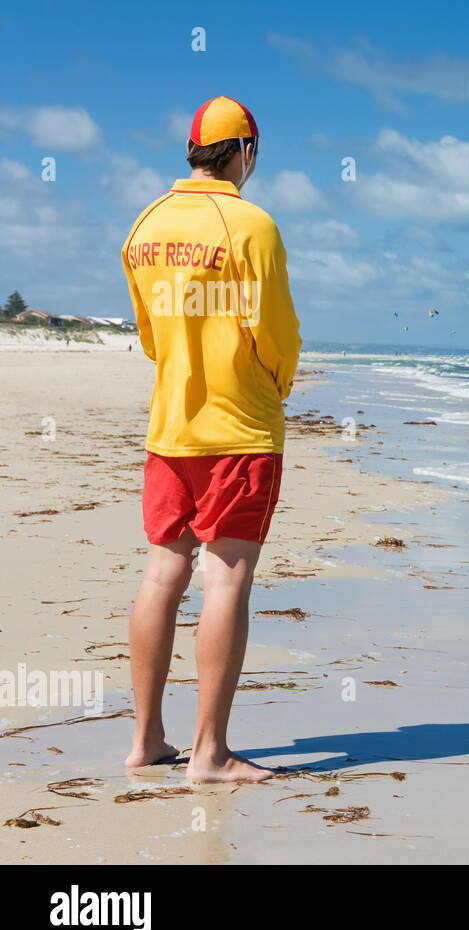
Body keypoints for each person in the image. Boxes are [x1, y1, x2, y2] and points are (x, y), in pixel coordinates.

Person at [120, 96, 302, 783]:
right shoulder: (251, 225)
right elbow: (277, 334)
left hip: (170, 429)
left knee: (162, 573)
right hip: (239, 430)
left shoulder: (144, 226)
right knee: (226, 579)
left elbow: (149, 335)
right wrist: (275, 385)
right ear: (245, 150)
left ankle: (146, 741)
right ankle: (210, 753)